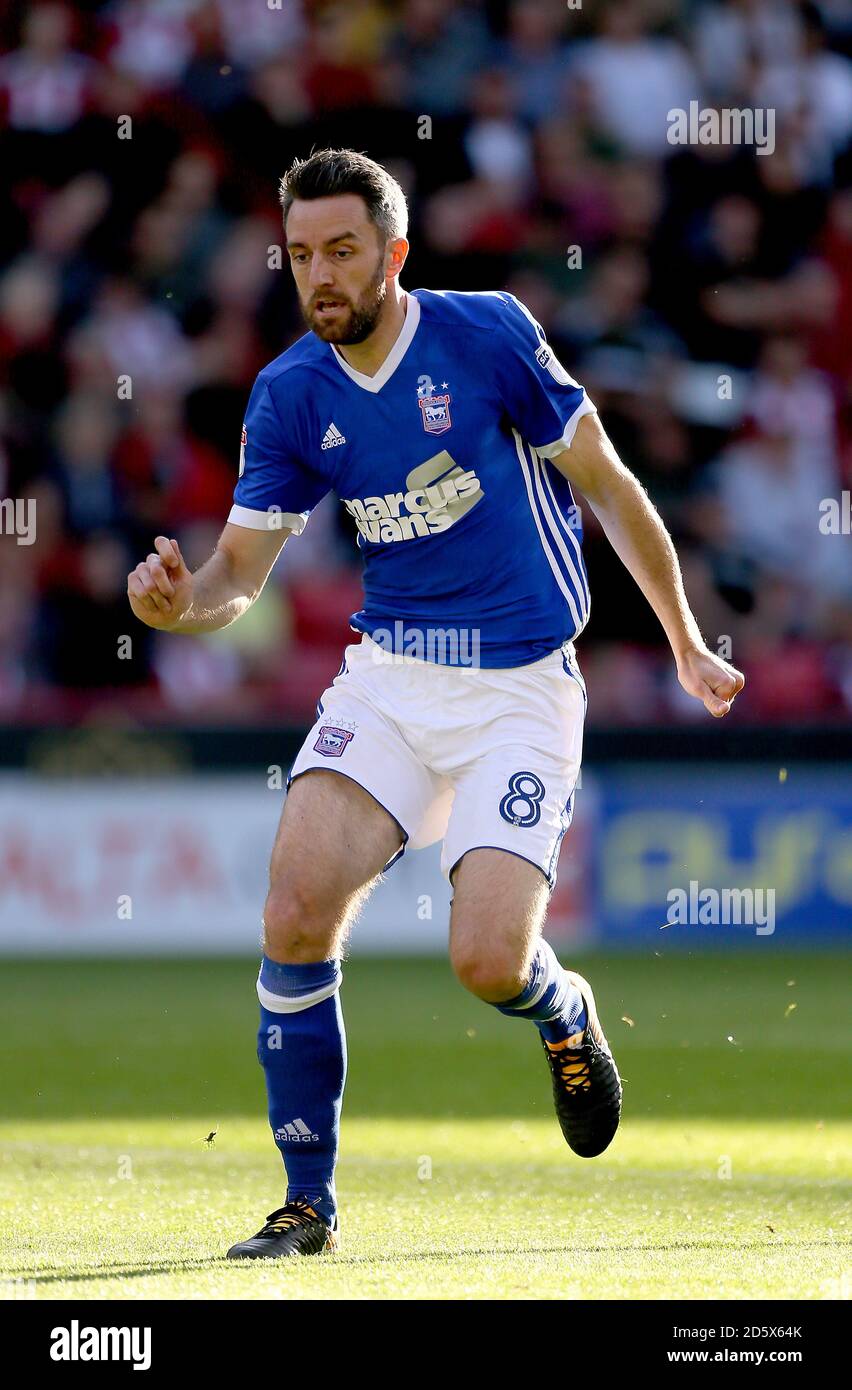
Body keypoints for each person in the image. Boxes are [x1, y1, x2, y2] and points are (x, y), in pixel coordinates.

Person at [127, 149, 744, 1259]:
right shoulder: (289, 394)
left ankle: (560, 1009)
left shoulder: (489, 333)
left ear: (394, 255)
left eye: (342, 251)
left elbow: (603, 478)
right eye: (301, 254)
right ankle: (305, 1203)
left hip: (519, 684)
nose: (318, 275)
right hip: (395, 676)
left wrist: (687, 641)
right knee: (292, 911)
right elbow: (237, 577)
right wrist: (178, 607)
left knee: (486, 962)